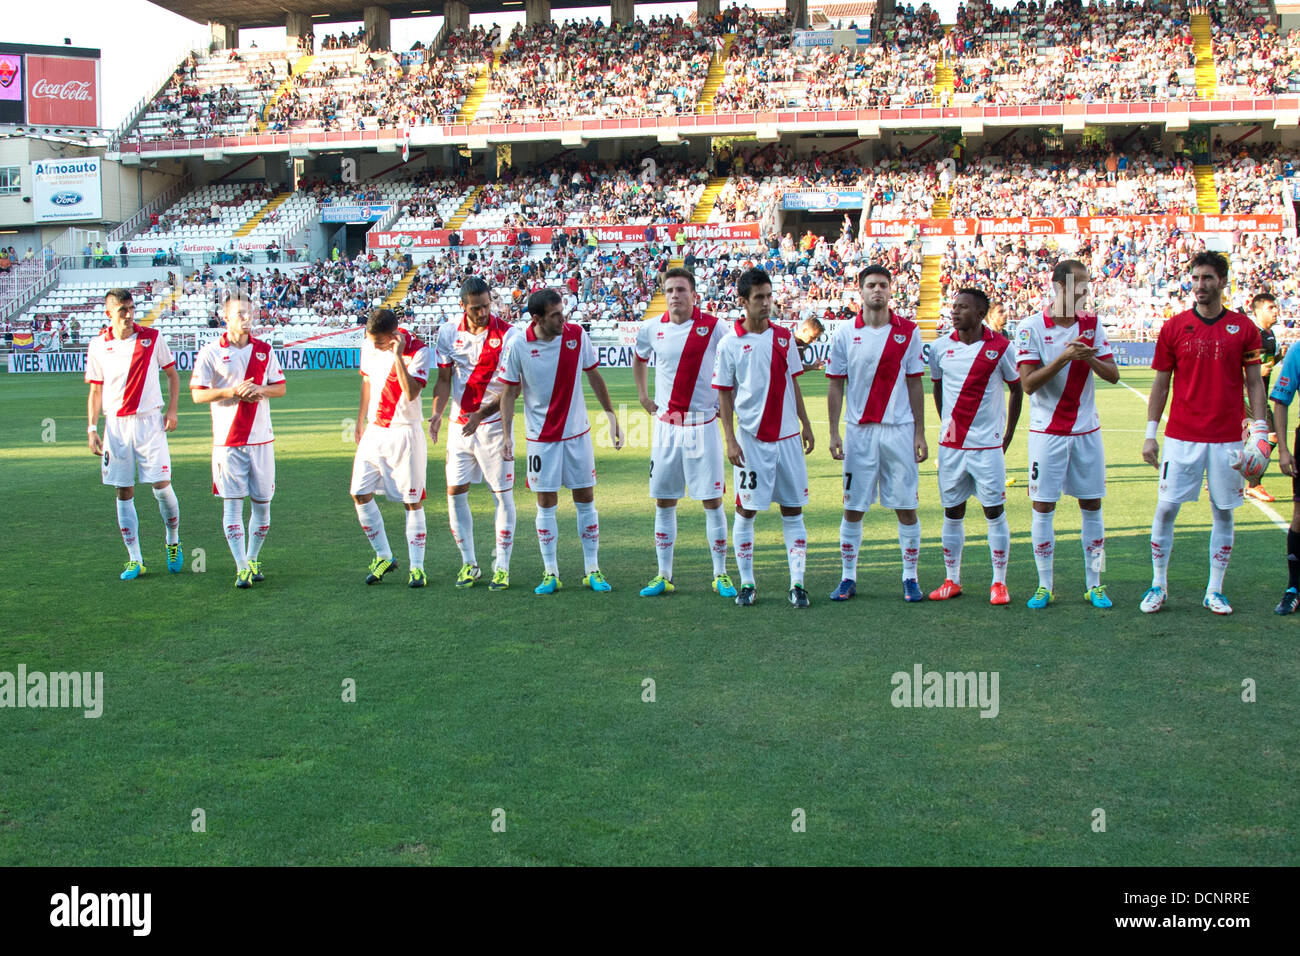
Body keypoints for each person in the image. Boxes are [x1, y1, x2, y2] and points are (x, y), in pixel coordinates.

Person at [1140, 251, 1268, 615]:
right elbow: (1161, 384)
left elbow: (1254, 384)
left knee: (1223, 511)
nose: (1200, 286)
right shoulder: (1174, 327)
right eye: (1195, 278)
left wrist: (1259, 429)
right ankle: (1158, 585)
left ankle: (1215, 590)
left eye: (1207, 278)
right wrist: (1151, 433)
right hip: (1181, 437)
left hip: (1227, 438)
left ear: (1223, 282)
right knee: (1165, 509)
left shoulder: (1244, 328)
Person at [497, 288, 625, 594]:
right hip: (541, 440)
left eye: (563, 312)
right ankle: (551, 572)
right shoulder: (517, 344)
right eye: (555, 315)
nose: (562, 319)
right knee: (546, 503)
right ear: (537, 318)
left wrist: (611, 416)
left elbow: (594, 376)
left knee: (585, 498)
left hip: (577, 435)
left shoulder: (577, 335)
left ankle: (592, 569)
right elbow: (509, 393)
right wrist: (506, 435)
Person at [1016, 260, 1119, 610]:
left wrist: (1088, 358)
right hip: (1047, 433)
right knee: (1043, 507)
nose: (1085, 293)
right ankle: (1045, 585)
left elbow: (1114, 375)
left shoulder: (1092, 324)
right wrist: (1064, 358)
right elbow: (1028, 385)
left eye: (1086, 287)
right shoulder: (1030, 327)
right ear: (1059, 287)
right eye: (1079, 287)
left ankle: (1095, 583)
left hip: (1086, 431)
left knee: (1092, 504)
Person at [712, 267, 816, 608]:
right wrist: (730, 439)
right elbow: (724, 395)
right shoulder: (729, 344)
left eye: (769, 296)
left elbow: (794, 383)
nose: (767, 303)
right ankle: (747, 583)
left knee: (793, 510)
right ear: (743, 301)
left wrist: (806, 423)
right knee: (746, 512)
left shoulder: (785, 338)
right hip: (751, 441)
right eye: (759, 298)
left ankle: (797, 584)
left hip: (787, 438)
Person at [826, 265, 928, 603]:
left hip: (899, 431)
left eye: (883, 285)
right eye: (871, 285)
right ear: (860, 290)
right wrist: (833, 432)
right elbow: (835, 387)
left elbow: (916, 383)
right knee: (853, 507)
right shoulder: (843, 333)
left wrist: (920, 433)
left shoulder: (909, 332)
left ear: (891, 289)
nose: (877, 291)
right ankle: (847, 577)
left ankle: (910, 578)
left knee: (906, 507)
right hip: (859, 433)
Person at [631, 267, 735, 598]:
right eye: (670, 290)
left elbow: (734, 357)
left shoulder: (715, 327)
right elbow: (639, 359)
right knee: (664, 501)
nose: (675, 295)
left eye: (681, 290)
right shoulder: (651, 329)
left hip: (703, 425)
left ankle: (720, 573)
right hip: (667, 428)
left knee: (712, 500)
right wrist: (643, 396)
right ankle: (663, 574)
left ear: (694, 295)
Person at [928, 288, 1024, 605]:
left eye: (963, 307)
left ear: (981, 314)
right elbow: (938, 389)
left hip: (987, 447)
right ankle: (952, 579)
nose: (955, 312)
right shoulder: (940, 348)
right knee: (952, 512)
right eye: (954, 306)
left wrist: (1007, 435)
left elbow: (1017, 389)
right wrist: (948, 426)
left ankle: (999, 582)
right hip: (952, 447)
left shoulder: (1002, 347)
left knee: (994, 511)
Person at [429, 276, 521, 590]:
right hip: (459, 428)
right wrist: (436, 413)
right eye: (476, 308)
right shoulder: (446, 333)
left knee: (502, 496)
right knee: (454, 494)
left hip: (495, 427)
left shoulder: (510, 335)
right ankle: (469, 564)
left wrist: (483, 414)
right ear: (462, 306)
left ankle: (502, 567)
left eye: (486, 305)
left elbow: (513, 389)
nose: (483, 312)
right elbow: (443, 379)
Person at [190, 291, 286, 588]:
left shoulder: (264, 351)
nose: (247, 318)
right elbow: (197, 394)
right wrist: (231, 392)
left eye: (250, 313)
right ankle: (241, 566)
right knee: (232, 506)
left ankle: (253, 557)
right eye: (240, 314)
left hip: (261, 441)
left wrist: (260, 389)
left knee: (262, 505)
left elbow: (280, 388)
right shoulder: (210, 352)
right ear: (225, 317)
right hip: (228, 442)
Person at [85, 289, 183, 579]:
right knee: (123, 490)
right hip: (115, 425)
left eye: (131, 308)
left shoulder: (152, 338)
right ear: (109, 314)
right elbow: (95, 390)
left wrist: (173, 410)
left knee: (161, 485)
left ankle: (173, 540)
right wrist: (92, 429)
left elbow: (172, 374)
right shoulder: (98, 346)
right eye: (122, 310)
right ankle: (135, 559)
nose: (128, 315)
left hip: (150, 422)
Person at [351, 307, 433, 588]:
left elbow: (411, 392)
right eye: (370, 339)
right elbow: (366, 382)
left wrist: (398, 357)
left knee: (412, 501)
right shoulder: (368, 344)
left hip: (405, 433)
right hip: (375, 431)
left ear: (392, 336)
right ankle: (384, 555)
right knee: (359, 493)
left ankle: (418, 568)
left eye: (378, 341)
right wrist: (360, 420)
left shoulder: (419, 351)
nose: (372, 345)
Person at [1267, 330, 1300, 613]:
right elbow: (1280, 400)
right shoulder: (1298, 351)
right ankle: (1294, 587)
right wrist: (1285, 449)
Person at [1246, 292, 1280, 502]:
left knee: (1247, 440)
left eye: (1275, 307)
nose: (1276, 311)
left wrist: (1277, 358)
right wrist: (1259, 372)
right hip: (1249, 393)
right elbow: (1241, 367)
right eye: (1270, 308)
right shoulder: (1252, 335)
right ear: (1257, 311)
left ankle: (1225, 476)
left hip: (1260, 393)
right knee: (1271, 436)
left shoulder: (1270, 335)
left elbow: (1264, 364)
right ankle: (1254, 484)